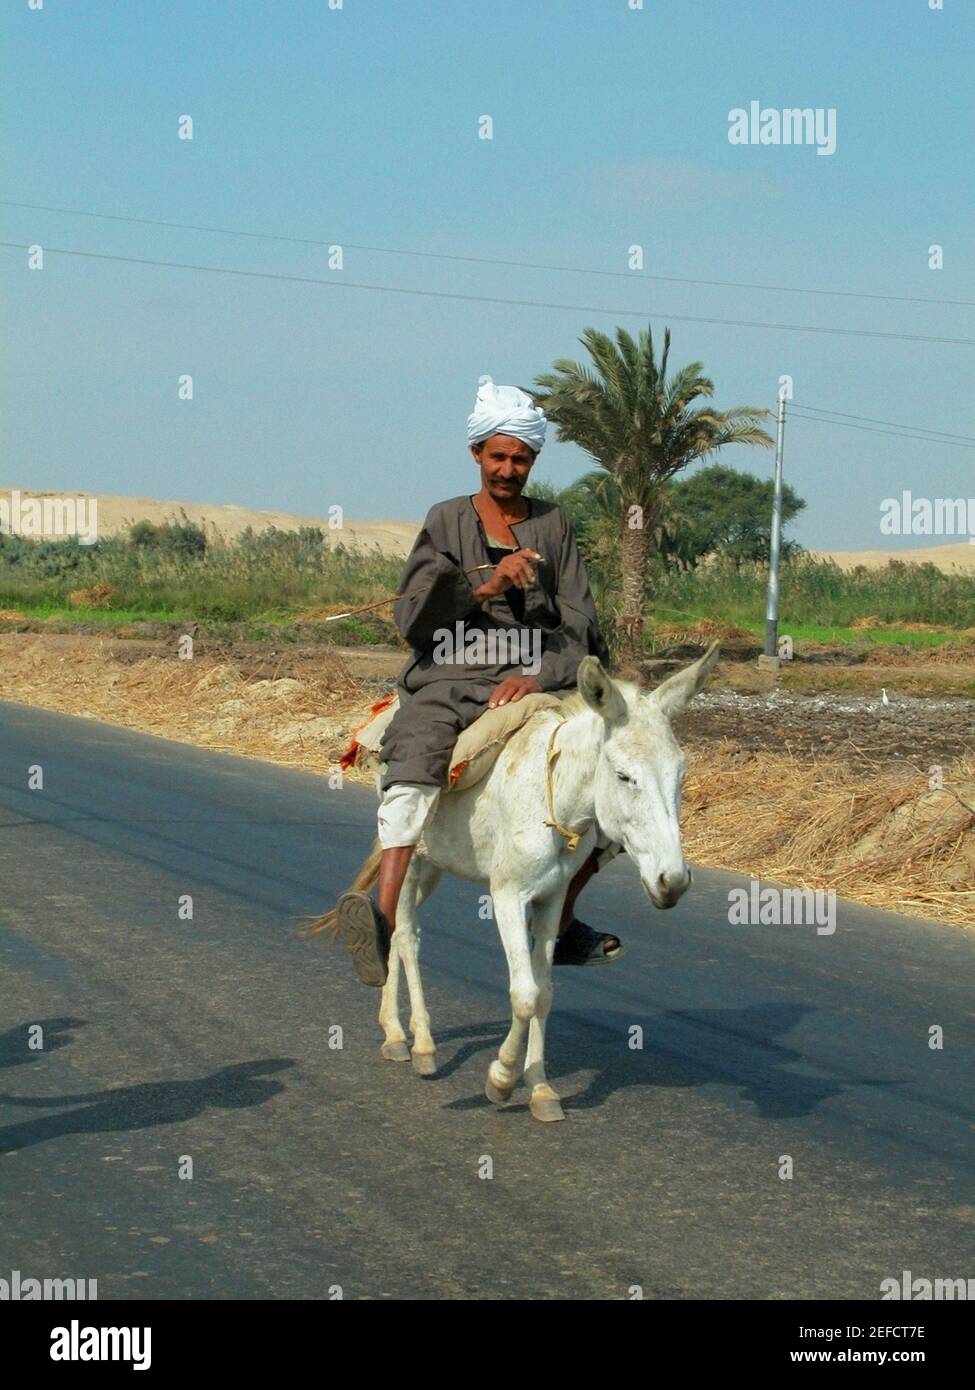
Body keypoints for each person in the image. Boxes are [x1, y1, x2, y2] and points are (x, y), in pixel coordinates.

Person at [337, 376, 624, 986]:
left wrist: (535, 674)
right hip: (452, 666)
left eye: (520, 457)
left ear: (533, 461)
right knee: (415, 748)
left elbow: (581, 623)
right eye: (498, 455)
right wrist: (486, 585)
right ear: (476, 455)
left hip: (540, 669)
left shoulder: (556, 525)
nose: (508, 468)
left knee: (619, 766)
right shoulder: (444, 521)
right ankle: (382, 917)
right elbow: (412, 618)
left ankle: (566, 919)